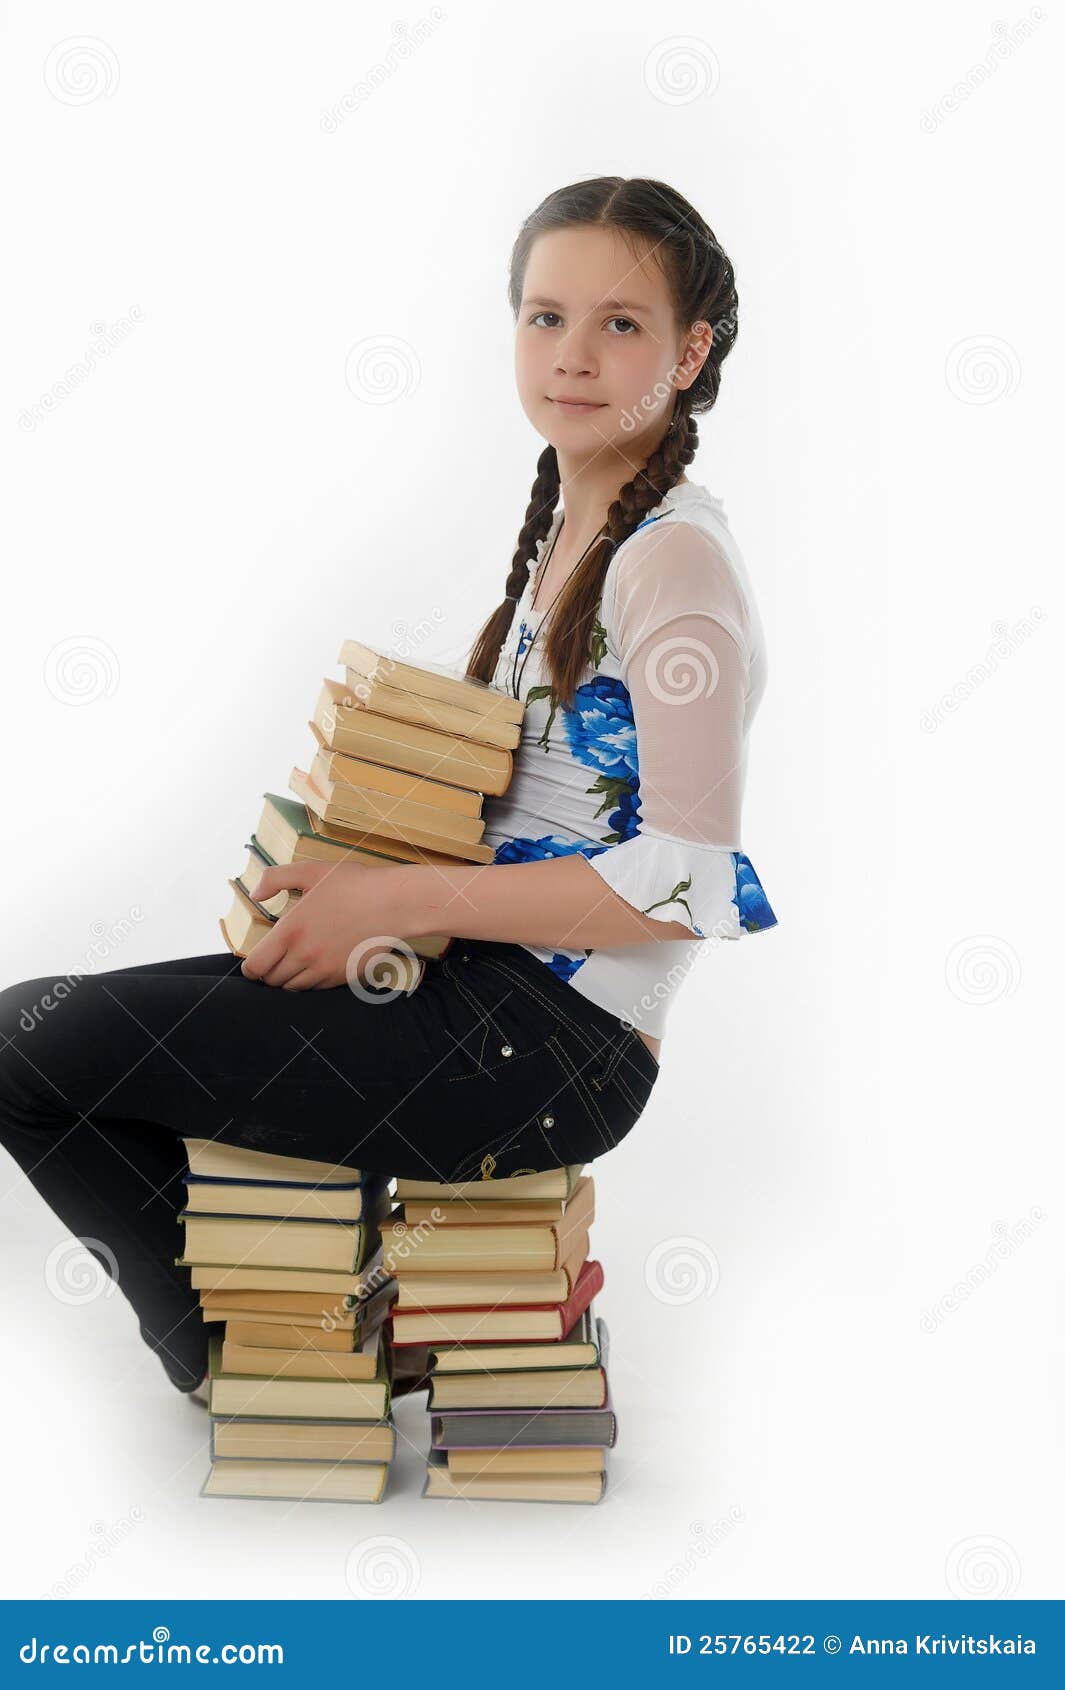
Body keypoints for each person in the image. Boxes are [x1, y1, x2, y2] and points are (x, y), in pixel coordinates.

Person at [0, 175, 778, 1400]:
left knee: (22, 1051)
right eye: (544, 316)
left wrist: (393, 899)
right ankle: (365, 1315)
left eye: (620, 325)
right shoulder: (576, 537)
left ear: (690, 352)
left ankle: (259, 1352)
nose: (572, 355)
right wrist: (373, 877)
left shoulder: (673, 562)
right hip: (478, 992)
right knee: (49, 1043)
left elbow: (687, 886)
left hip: (552, 1046)